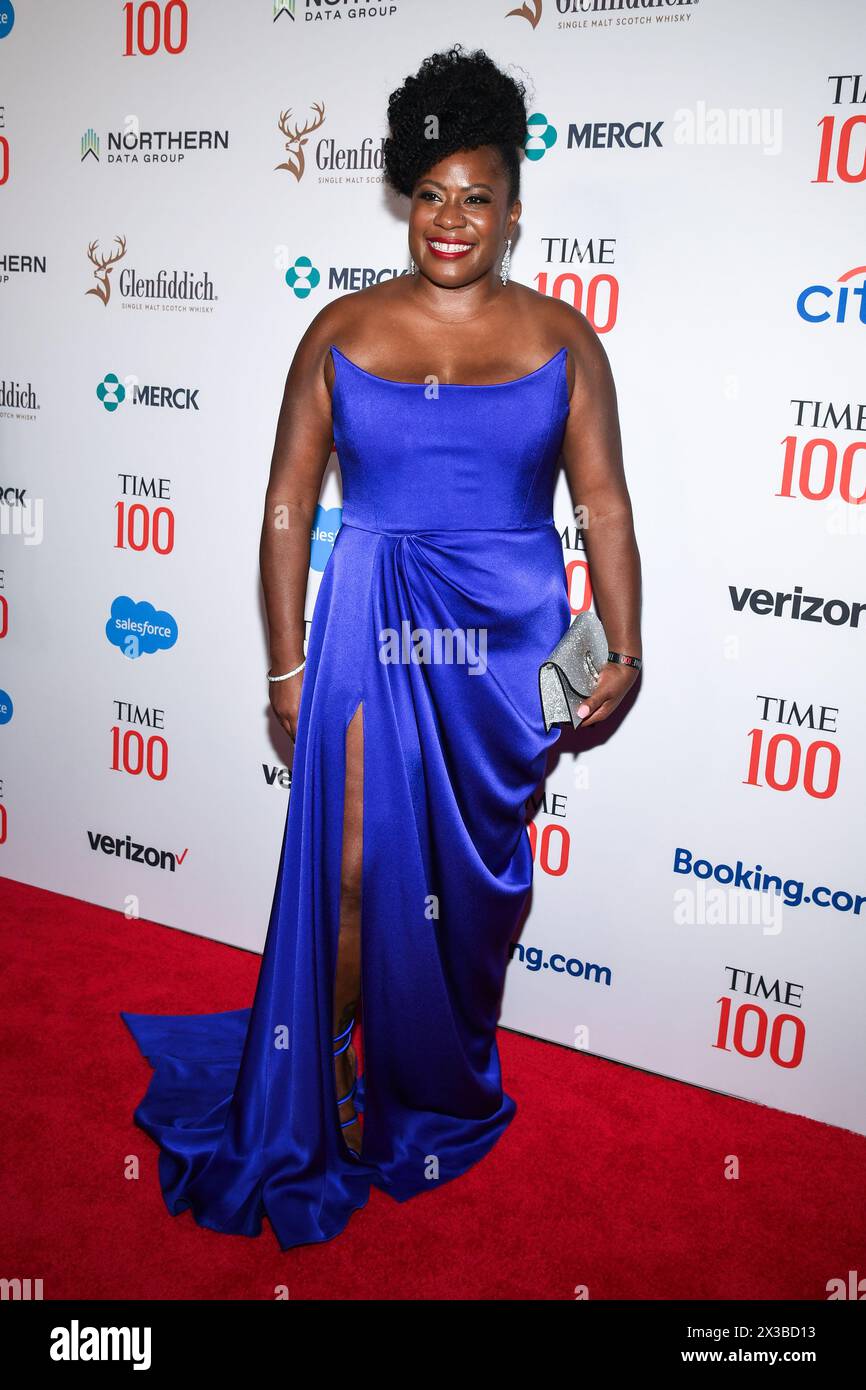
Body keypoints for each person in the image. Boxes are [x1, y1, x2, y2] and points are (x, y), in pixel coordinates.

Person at [120, 43, 642, 1252]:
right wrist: (286, 666)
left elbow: (602, 509)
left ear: (515, 207)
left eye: (477, 196)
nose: (450, 219)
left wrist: (618, 646)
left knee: (466, 890)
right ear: (405, 197)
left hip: (507, 648)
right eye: (429, 193)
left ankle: (422, 1079)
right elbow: (286, 511)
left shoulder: (565, 338)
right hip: (366, 623)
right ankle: (301, 1083)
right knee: (355, 870)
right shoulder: (340, 328)